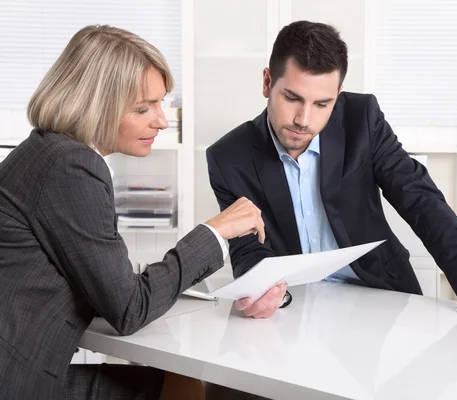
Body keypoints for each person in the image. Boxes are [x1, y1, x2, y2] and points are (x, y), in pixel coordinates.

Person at [206, 20, 457, 334]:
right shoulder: (228, 157)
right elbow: (247, 245)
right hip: (292, 307)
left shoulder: (362, 118)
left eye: (322, 104)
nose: (305, 119)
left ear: (337, 97)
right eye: (292, 98)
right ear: (268, 82)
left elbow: (421, 200)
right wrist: (267, 290)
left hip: (379, 294)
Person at [0, 25, 265, 400]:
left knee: (181, 383)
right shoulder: (70, 166)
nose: (160, 120)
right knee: (182, 388)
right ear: (96, 105)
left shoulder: (43, 151)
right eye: (143, 108)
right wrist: (215, 233)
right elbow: (128, 309)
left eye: (161, 103)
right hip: (18, 383)